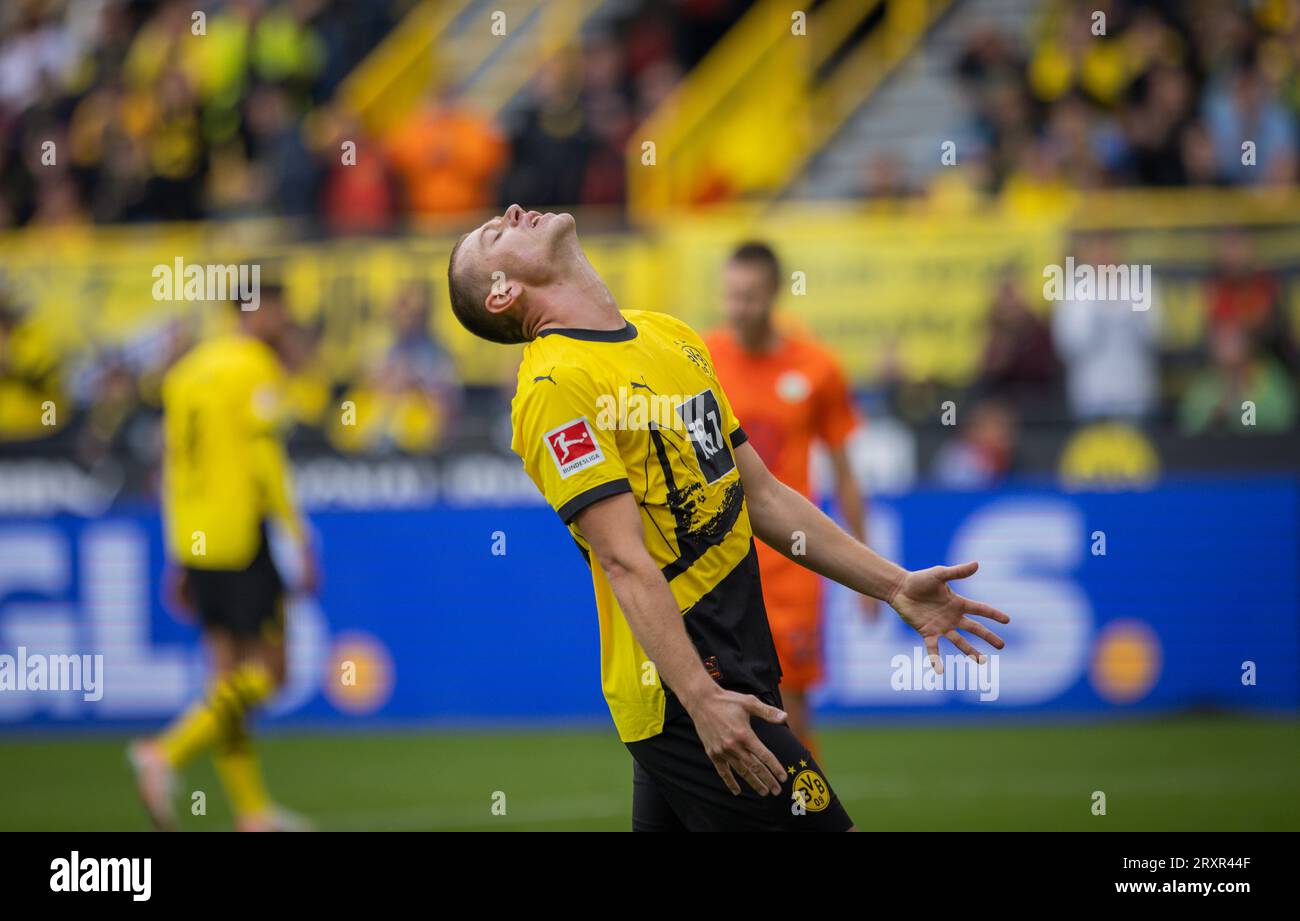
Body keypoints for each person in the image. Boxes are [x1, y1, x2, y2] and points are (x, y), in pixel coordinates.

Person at [446, 205, 1009, 832]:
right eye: (494, 233)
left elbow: (762, 495)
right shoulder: (555, 386)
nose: (514, 212)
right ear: (503, 294)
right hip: (690, 685)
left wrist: (895, 584)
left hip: (736, 661)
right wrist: (701, 697)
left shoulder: (669, 335)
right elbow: (622, 559)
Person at [129, 285, 317, 832]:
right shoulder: (253, 365)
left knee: (227, 682)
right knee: (273, 675)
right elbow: (264, 458)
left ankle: (252, 811)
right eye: (278, 308)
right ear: (254, 309)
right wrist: (297, 535)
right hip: (240, 538)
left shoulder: (186, 372)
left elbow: (174, 468)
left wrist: (179, 554)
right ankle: (166, 750)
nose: (284, 320)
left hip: (196, 540)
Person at [703, 241, 870, 759]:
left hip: (791, 563)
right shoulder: (700, 359)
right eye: (731, 296)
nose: (738, 308)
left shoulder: (817, 367)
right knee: (715, 702)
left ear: (774, 294)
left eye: (749, 297)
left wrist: (866, 575)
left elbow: (845, 475)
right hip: (717, 561)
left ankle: (807, 812)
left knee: (790, 709)